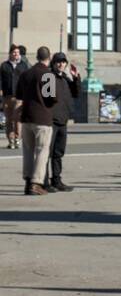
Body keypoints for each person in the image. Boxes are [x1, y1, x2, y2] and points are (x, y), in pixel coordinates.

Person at [15, 45, 57, 196]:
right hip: (42, 118)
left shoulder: (26, 74)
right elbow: (50, 98)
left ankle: (27, 181)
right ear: (49, 57)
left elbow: (18, 95)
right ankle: (36, 183)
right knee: (41, 151)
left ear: (37, 57)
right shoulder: (47, 74)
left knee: (27, 151)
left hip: (26, 118)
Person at [44, 53, 82, 191]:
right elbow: (47, 99)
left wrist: (76, 77)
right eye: (58, 62)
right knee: (47, 153)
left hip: (63, 120)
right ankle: (44, 182)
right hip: (51, 120)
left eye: (63, 62)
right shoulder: (49, 77)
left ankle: (56, 180)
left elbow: (77, 93)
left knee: (58, 153)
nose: (61, 64)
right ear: (53, 63)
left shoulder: (65, 78)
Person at [2, 43, 29, 149]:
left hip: (19, 97)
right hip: (7, 96)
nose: (16, 54)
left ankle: (17, 138)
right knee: (9, 120)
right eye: (14, 52)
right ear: (10, 54)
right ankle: (11, 140)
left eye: (18, 53)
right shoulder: (4, 65)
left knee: (18, 119)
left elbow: (27, 80)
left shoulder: (23, 65)